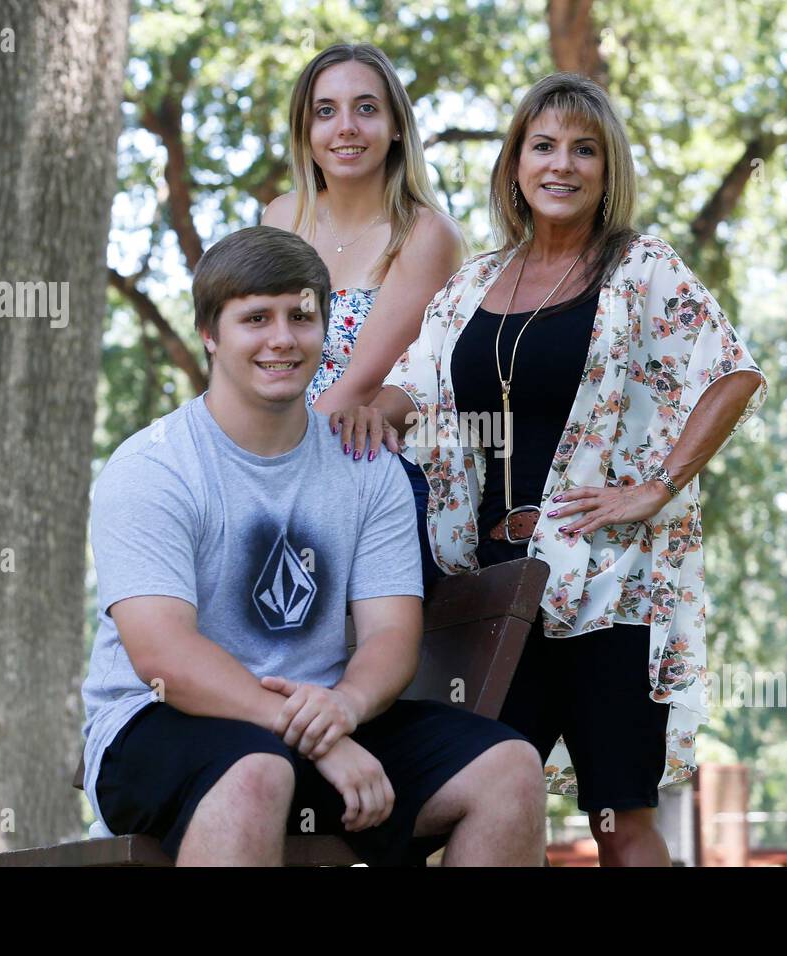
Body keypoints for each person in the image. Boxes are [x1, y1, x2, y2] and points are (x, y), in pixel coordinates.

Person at [330, 74, 768, 866]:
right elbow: (414, 383)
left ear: (607, 170)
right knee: (480, 798)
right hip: (492, 588)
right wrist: (360, 417)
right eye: (543, 146)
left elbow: (732, 372)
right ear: (515, 166)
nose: (561, 164)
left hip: (609, 586)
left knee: (621, 819)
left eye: (583, 149)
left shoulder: (641, 269)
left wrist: (659, 485)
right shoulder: (471, 284)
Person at [79, 226, 545, 866]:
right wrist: (320, 740)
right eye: (255, 318)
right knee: (256, 772)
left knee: (509, 768)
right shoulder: (153, 468)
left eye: (300, 316)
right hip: (157, 726)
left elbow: (390, 637)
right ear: (210, 334)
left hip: (325, 719)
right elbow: (165, 658)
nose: (282, 338)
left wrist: (347, 707)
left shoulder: (365, 467)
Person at [261, 42, 464, 589]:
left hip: (377, 459)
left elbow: (359, 382)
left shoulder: (425, 234)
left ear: (396, 126)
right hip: (281, 449)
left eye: (366, 108)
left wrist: (261, 471)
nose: (345, 127)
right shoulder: (281, 218)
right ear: (306, 130)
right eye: (325, 111)